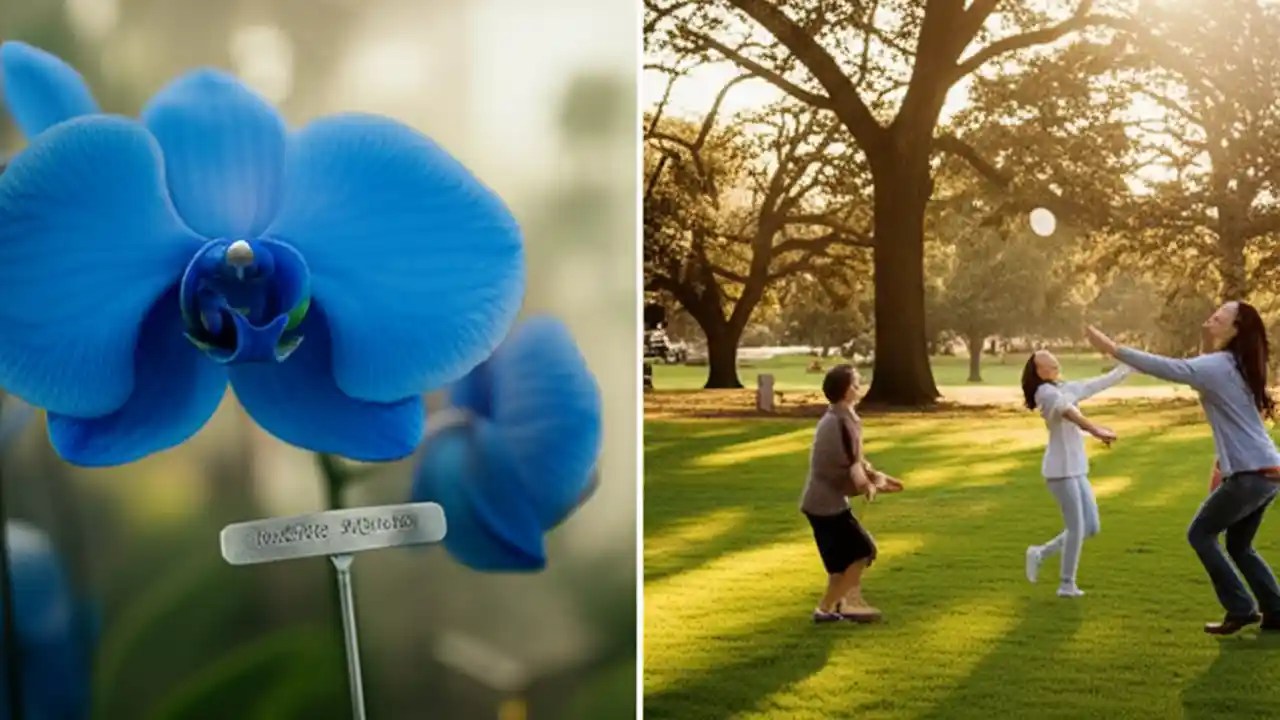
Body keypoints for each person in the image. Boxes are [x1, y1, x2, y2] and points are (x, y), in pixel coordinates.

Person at [1086, 301, 1280, 635]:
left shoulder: (1219, 366)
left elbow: (1171, 368)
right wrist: (1224, 466)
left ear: (1235, 329)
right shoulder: (1236, 363)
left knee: (1200, 534)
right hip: (1267, 472)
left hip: (1251, 473)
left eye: (1220, 316)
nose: (1213, 316)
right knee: (1239, 546)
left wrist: (1113, 349)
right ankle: (1275, 611)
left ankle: (1241, 608)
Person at [1021, 351, 1129, 597]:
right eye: (1045, 359)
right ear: (1039, 370)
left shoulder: (1063, 388)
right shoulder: (1045, 393)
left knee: (1090, 526)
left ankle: (1040, 553)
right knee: (1077, 527)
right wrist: (1097, 431)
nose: (1052, 359)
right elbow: (1069, 412)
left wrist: (1127, 368)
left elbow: (1094, 384)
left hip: (1076, 468)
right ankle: (1066, 584)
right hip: (1060, 471)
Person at [800, 364, 902, 624]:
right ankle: (837, 607)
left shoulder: (841, 418)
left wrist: (878, 479)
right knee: (863, 550)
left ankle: (831, 609)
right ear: (846, 391)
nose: (859, 387)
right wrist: (868, 485)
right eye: (856, 384)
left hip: (822, 504)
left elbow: (856, 461)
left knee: (839, 566)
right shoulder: (839, 422)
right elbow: (851, 467)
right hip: (826, 506)